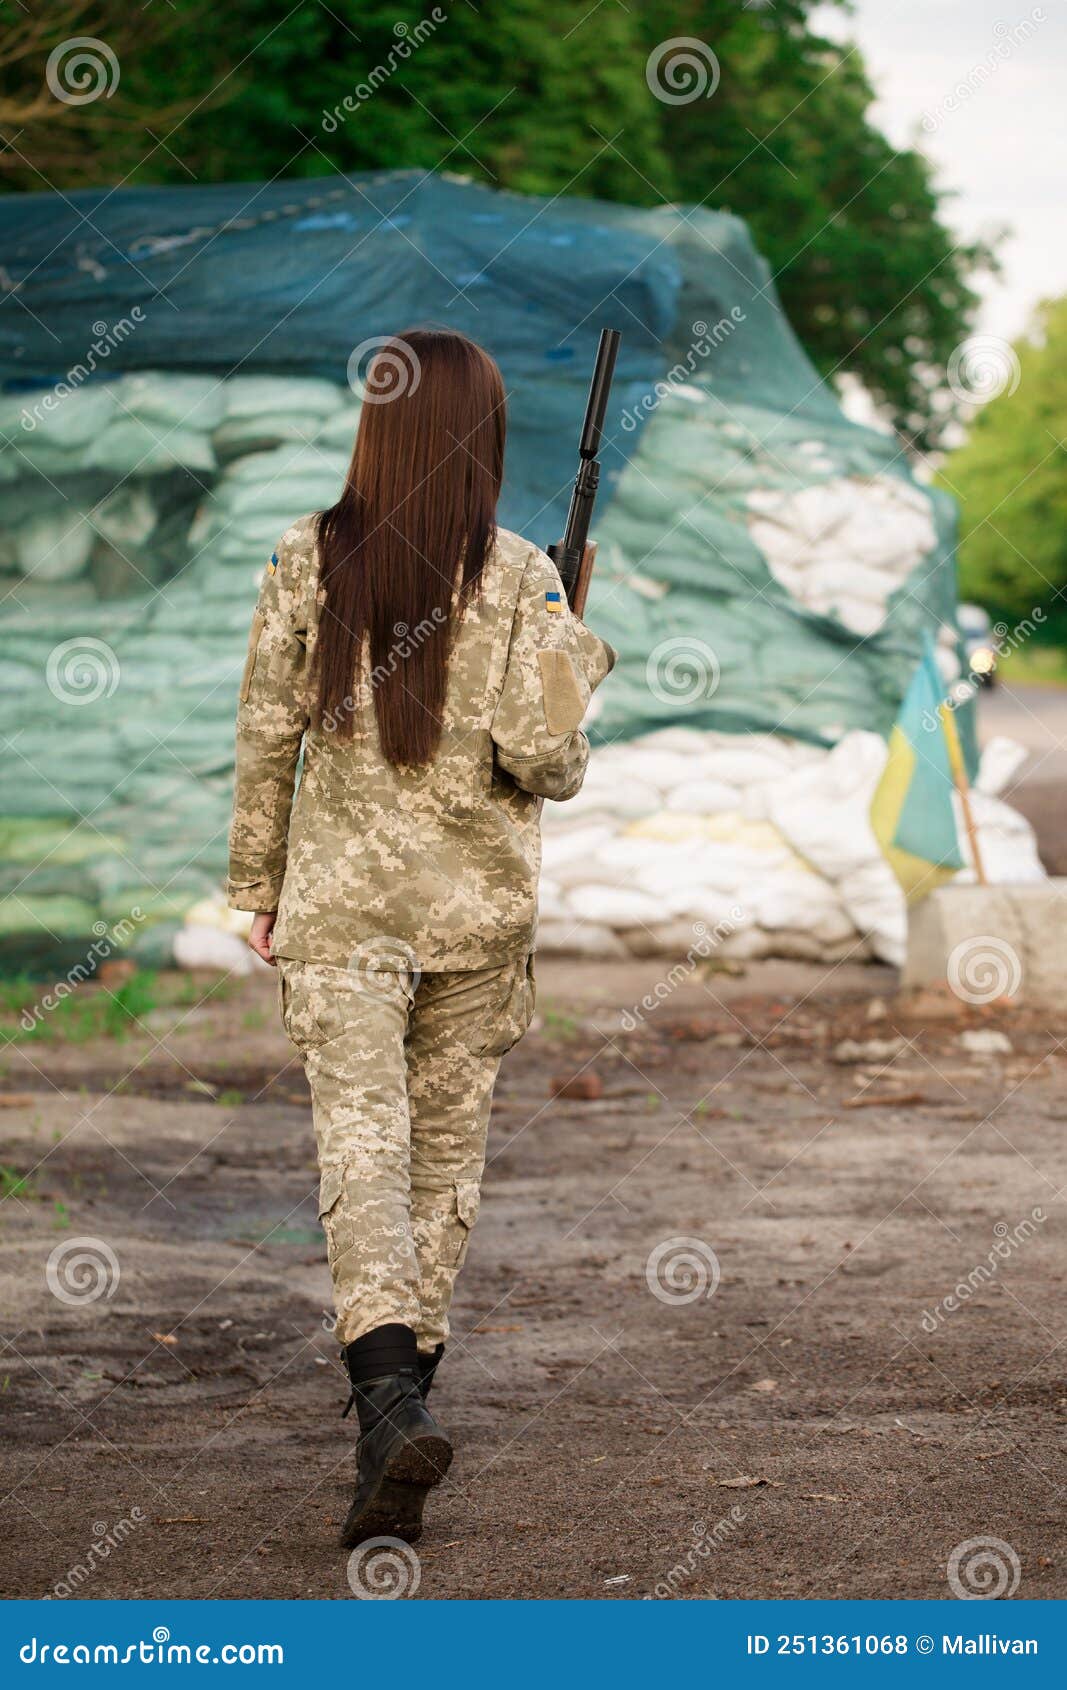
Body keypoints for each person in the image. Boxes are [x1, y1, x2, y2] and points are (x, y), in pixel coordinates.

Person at [227, 327, 616, 1548]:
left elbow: (264, 732)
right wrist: (574, 647)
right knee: (441, 1170)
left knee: (363, 1151)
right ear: (481, 438)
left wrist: (255, 884)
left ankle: (388, 1410)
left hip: (340, 915)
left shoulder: (304, 555)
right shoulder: (520, 576)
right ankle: (393, 1418)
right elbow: (547, 762)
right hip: (473, 924)